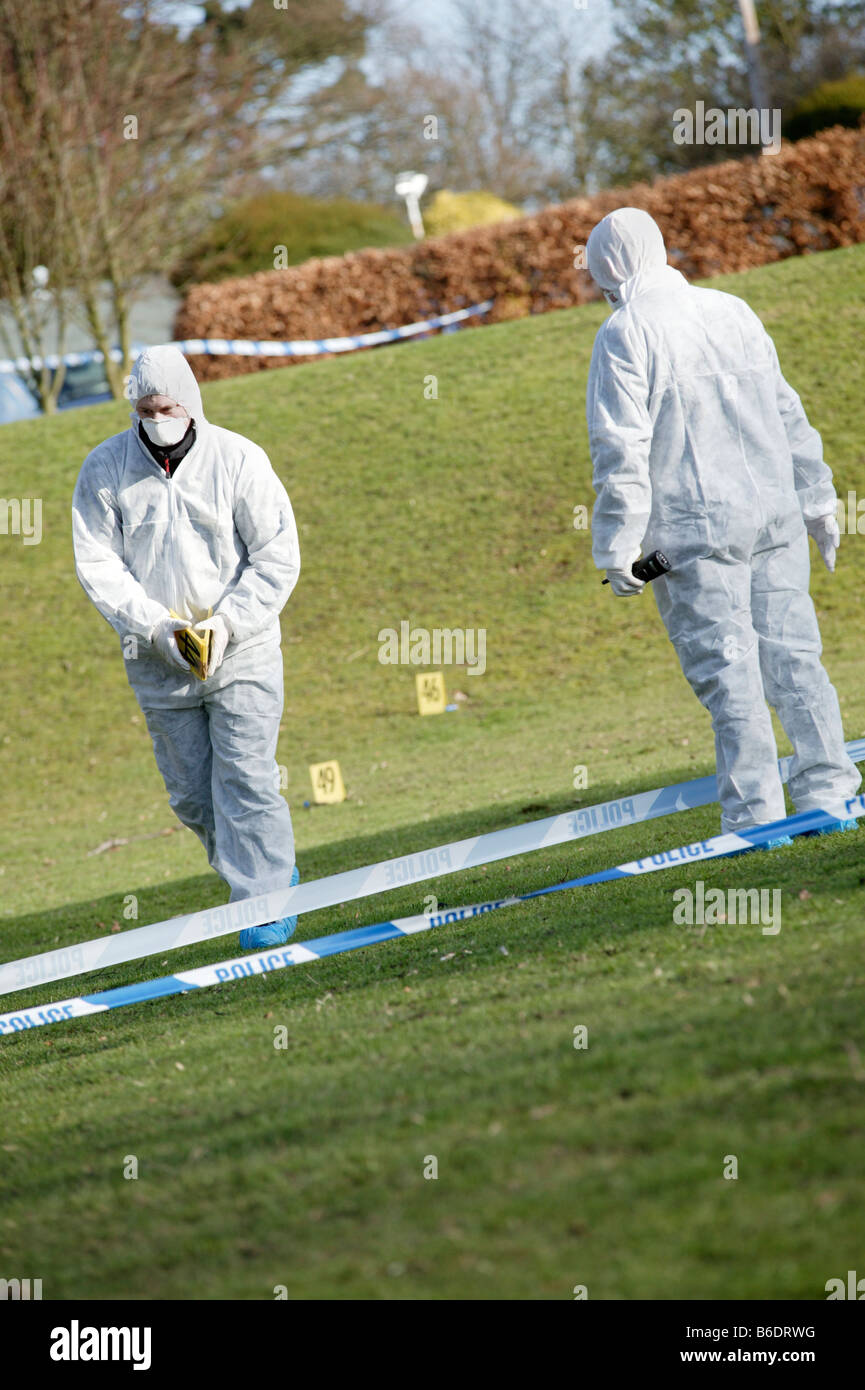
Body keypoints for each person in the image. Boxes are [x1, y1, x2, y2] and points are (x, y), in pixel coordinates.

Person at [585, 206, 860, 838]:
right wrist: (817, 498)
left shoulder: (627, 332)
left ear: (608, 268)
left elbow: (620, 447)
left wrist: (618, 547)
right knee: (797, 663)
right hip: (775, 517)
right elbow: (787, 411)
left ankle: (755, 819)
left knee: (730, 678)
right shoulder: (732, 309)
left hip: (694, 534)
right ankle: (831, 797)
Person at [72, 344, 302, 947]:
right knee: (195, 798)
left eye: (167, 407)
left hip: (243, 652)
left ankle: (266, 908)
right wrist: (155, 628)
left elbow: (277, 554)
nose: (157, 420)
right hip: (159, 665)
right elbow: (98, 564)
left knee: (248, 780)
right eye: (146, 410)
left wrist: (228, 624)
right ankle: (261, 874)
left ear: (192, 401)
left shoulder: (238, 460)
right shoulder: (105, 470)